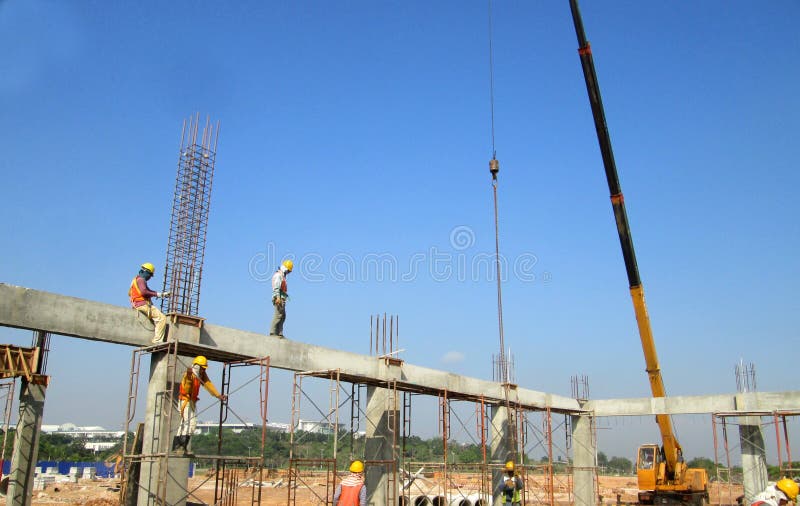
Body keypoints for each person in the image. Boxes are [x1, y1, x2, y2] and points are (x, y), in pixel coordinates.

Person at [172, 355, 227, 455]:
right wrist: (188, 378)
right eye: (202, 368)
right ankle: (181, 448)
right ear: (198, 366)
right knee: (190, 424)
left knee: (184, 424)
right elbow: (187, 388)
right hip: (186, 401)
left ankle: (178, 447)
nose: (203, 371)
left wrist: (218, 395)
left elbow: (208, 384)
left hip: (191, 401)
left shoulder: (200, 375)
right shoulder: (189, 375)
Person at [128, 262, 171, 343]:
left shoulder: (137, 279)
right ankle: (157, 340)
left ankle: (157, 338)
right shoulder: (141, 280)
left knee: (158, 317)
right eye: (150, 275)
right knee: (162, 318)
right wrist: (158, 294)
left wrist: (160, 294)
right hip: (142, 304)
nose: (150, 277)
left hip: (138, 304)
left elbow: (148, 291)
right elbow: (144, 292)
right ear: (146, 272)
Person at [269, 259, 293, 338]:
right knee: (278, 315)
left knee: (282, 316)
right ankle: (273, 333)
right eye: (288, 271)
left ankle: (280, 333)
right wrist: (278, 298)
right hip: (278, 298)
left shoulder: (282, 276)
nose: (288, 273)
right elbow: (276, 288)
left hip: (282, 299)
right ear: (285, 269)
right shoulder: (278, 275)